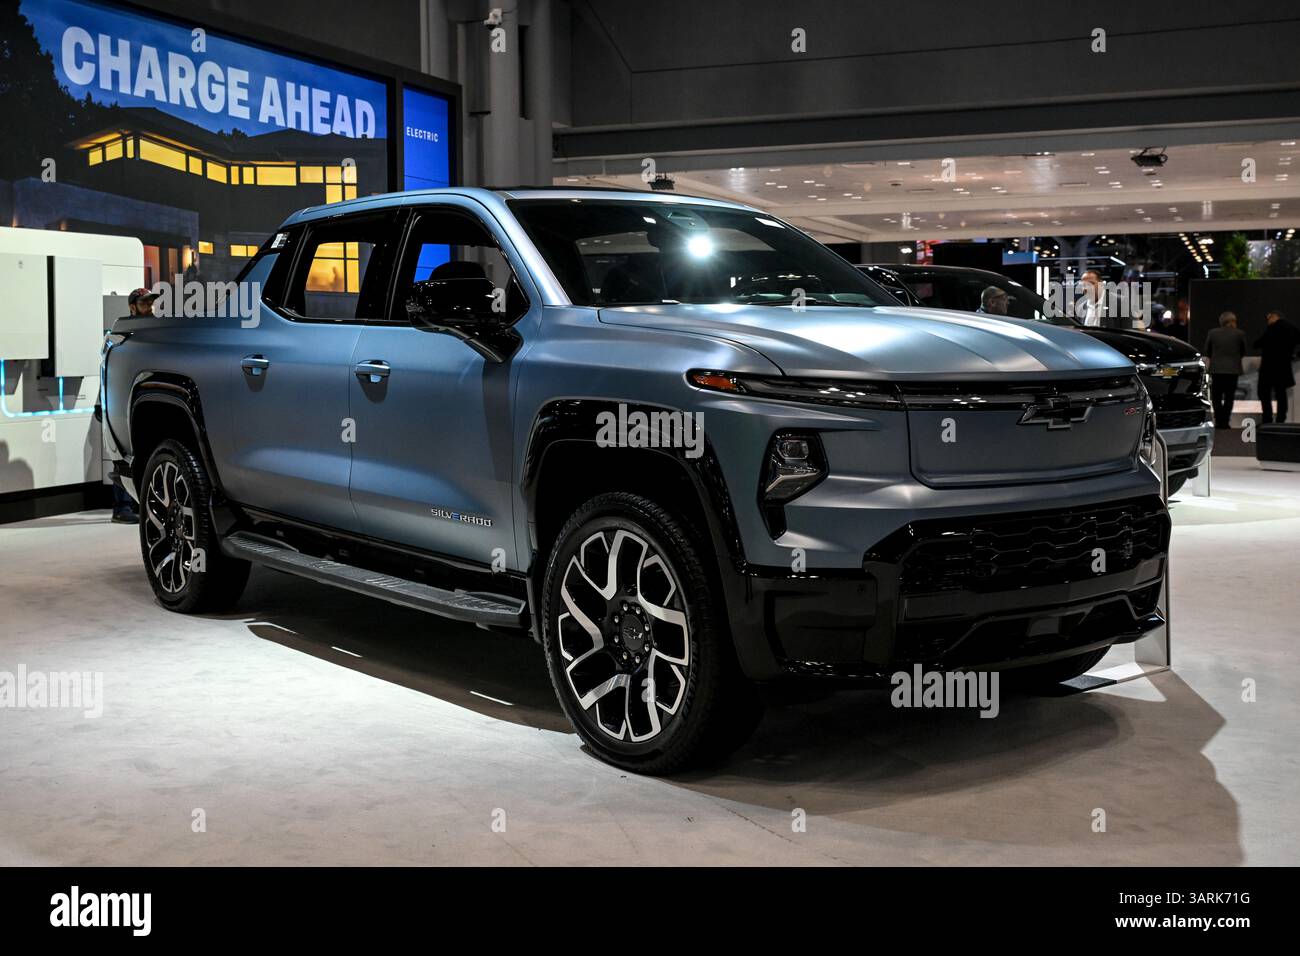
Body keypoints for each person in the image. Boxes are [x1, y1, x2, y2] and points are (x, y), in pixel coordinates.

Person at [107, 288, 159, 524]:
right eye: (144, 303)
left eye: (150, 302)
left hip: (142, 399)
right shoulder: (123, 333)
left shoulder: (152, 331)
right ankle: (121, 507)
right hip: (122, 399)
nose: (149, 306)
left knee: (140, 453)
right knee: (123, 453)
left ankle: (138, 503)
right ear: (132, 306)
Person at [1203, 310, 1248, 429]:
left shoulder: (1213, 333)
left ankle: (1218, 420)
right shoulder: (1240, 334)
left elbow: (1207, 350)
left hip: (1217, 370)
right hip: (1233, 370)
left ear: (1221, 321)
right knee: (1229, 397)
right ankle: (1225, 421)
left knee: (1216, 397)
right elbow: (1243, 351)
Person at [1255, 309, 1300, 424]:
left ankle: (1267, 419)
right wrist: (1297, 355)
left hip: (1268, 366)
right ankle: (1281, 419)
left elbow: (1258, 343)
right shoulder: (1291, 328)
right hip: (1283, 366)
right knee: (1281, 394)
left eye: (1269, 318)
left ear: (1274, 316)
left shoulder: (1272, 328)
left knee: (1264, 393)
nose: (1268, 321)